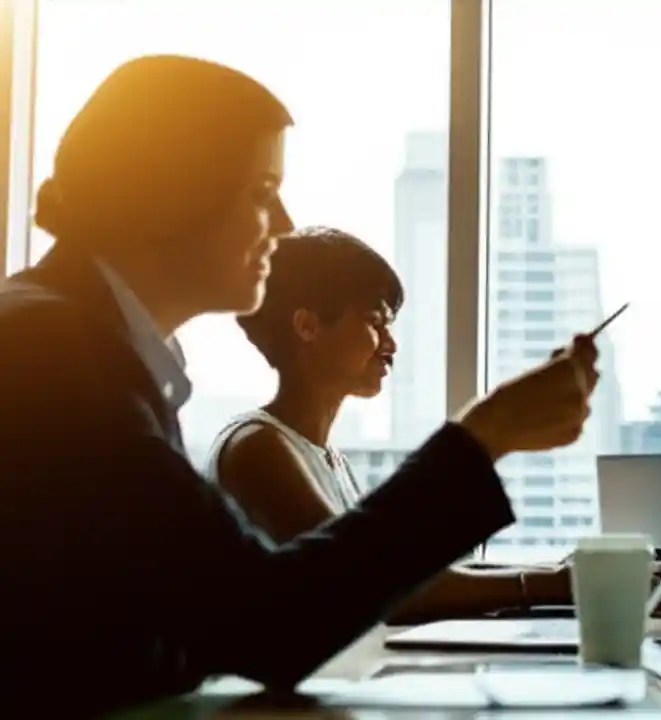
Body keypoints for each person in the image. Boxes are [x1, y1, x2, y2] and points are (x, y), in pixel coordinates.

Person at [0, 55, 598, 715]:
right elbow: (265, 622)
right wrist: (484, 435)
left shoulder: (87, 340)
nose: (283, 223)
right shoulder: (54, 352)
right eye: (261, 190)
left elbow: (198, 614)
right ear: (165, 198)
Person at [209, 226, 661, 619]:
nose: (390, 344)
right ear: (308, 326)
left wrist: (571, 571)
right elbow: (373, 587)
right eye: (376, 321)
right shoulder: (259, 449)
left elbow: (401, 572)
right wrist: (565, 584)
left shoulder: (322, 454)